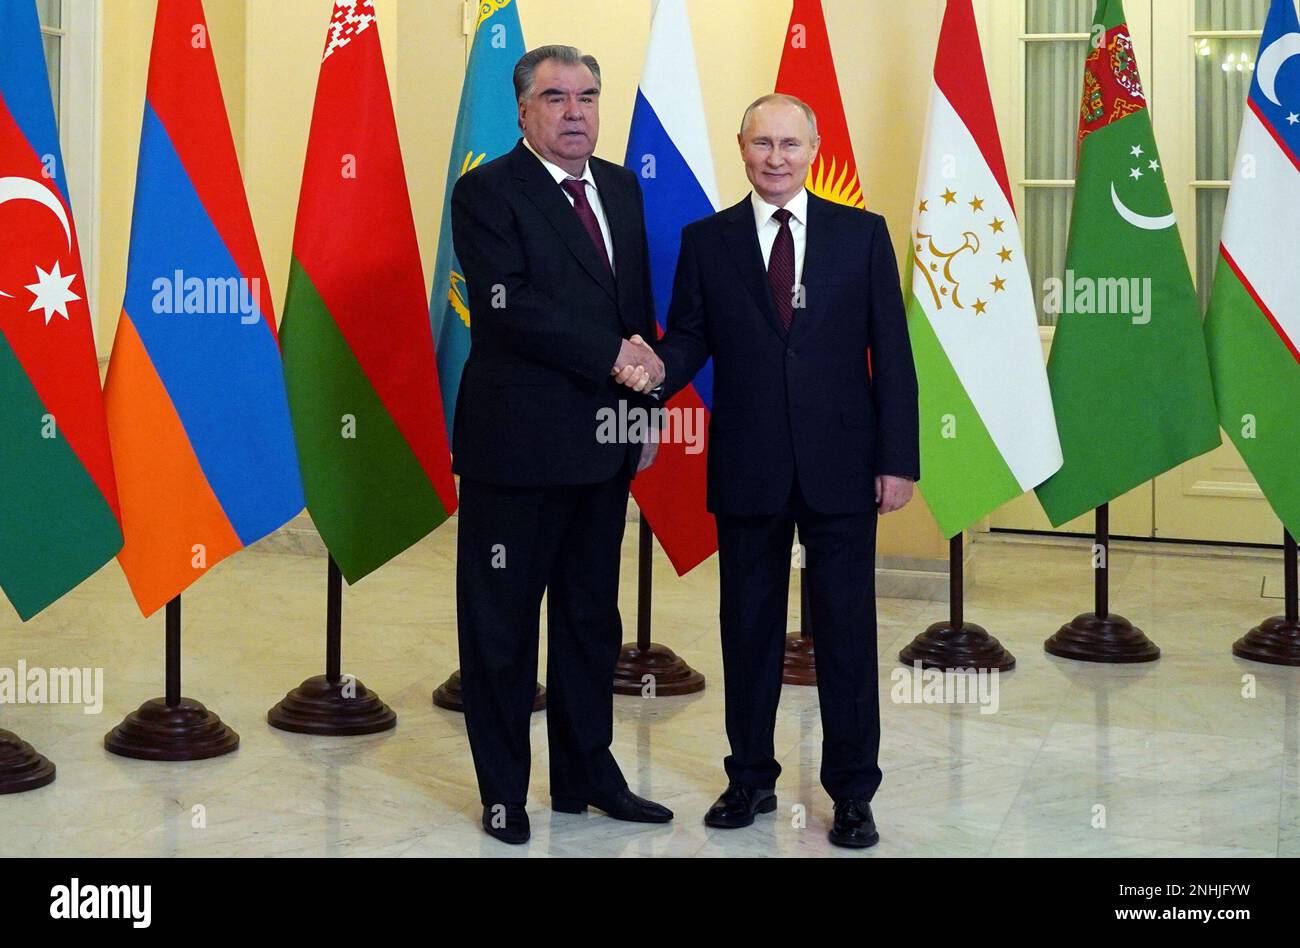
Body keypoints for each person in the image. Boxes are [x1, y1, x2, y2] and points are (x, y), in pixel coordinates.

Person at [615, 93, 919, 849]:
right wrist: (654, 369)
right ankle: (749, 777)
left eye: (790, 144)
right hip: (749, 463)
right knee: (747, 628)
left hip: (844, 466)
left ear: (813, 149)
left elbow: (895, 357)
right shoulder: (708, 240)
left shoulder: (863, 235)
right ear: (742, 148)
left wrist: (898, 460)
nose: (776, 158)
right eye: (762, 144)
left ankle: (852, 793)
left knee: (846, 632)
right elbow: (689, 338)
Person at [450, 44, 670, 845]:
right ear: (522, 109)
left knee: (588, 621)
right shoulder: (486, 191)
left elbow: (635, 306)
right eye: (554, 97)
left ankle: (585, 777)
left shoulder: (619, 186)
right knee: (501, 627)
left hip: (603, 441)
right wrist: (615, 360)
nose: (574, 112)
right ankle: (504, 792)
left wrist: (643, 408)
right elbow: (510, 309)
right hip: (516, 447)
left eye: (586, 96)